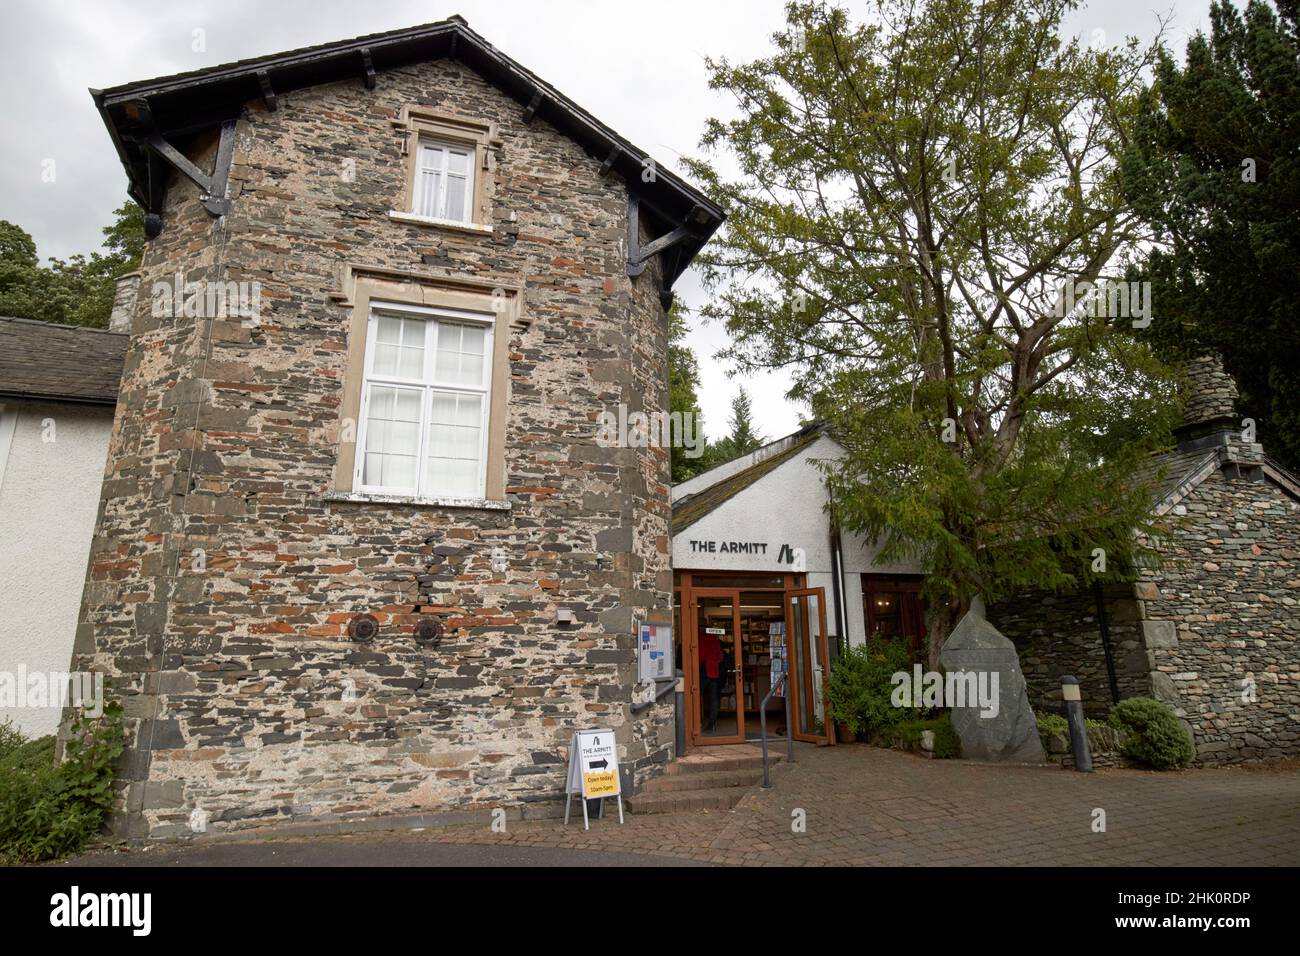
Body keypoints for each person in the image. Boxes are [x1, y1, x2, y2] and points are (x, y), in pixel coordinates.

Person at [699, 628, 724, 732]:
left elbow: (700, 657)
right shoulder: (716, 642)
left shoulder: (702, 640)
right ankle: (712, 723)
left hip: (704, 672)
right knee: (714, 699)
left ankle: (696, 721)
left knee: (697, 696)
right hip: (714, 673)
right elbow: (720, 657)